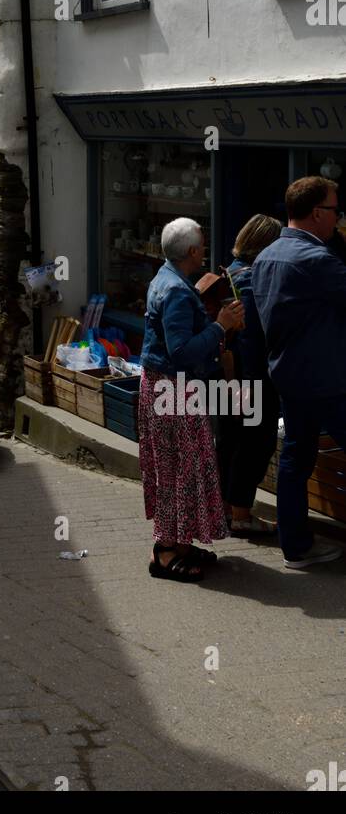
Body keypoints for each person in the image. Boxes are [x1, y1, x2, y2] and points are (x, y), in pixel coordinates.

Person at [139, 218, 245, 582]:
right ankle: (165, 551)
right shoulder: (177, 290)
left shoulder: (168, 278)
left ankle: (179, 543)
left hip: (170, 387)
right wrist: (221, 326)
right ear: (192, 252)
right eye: (201, 244)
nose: (204, 249)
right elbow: (181, 351)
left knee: (183, 467)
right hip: (172, 389)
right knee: (176, 470)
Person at [252, 177, 346, 570]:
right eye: (335, 210)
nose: (339, 218)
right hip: (328, 380)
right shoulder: (317, 261)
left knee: (295, 459)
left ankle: (296, 546)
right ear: (316, 213)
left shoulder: (266, 256)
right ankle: (297, 545)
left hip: (290, 376)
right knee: (297, 457)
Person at [215, 215, 282, 535]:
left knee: (229, 439)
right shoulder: (253, 281)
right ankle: (241, 514)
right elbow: (253, 338)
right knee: (254, 441)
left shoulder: (227, 271)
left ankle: (226, 509)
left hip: (226, 373)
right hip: (248, 375)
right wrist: (259, 385)